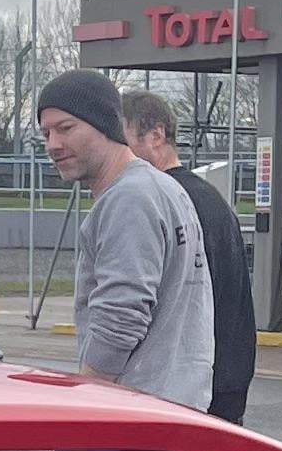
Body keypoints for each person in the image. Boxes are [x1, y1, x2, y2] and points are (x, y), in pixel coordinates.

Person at [32, 68, 213, 409]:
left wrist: (89, 390)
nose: (53, 145)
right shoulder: (163, 188)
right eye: (46, 133)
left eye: (66, 128)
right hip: (176, 406)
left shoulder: (128, 198)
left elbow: (122, 312)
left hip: (133, 411)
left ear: (105, 124)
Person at [120, 89, 257, 425]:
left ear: (156, 136)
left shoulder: (164, 201)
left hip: (191, 390)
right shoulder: (208, 198)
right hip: (226, 380)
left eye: (122, 142)